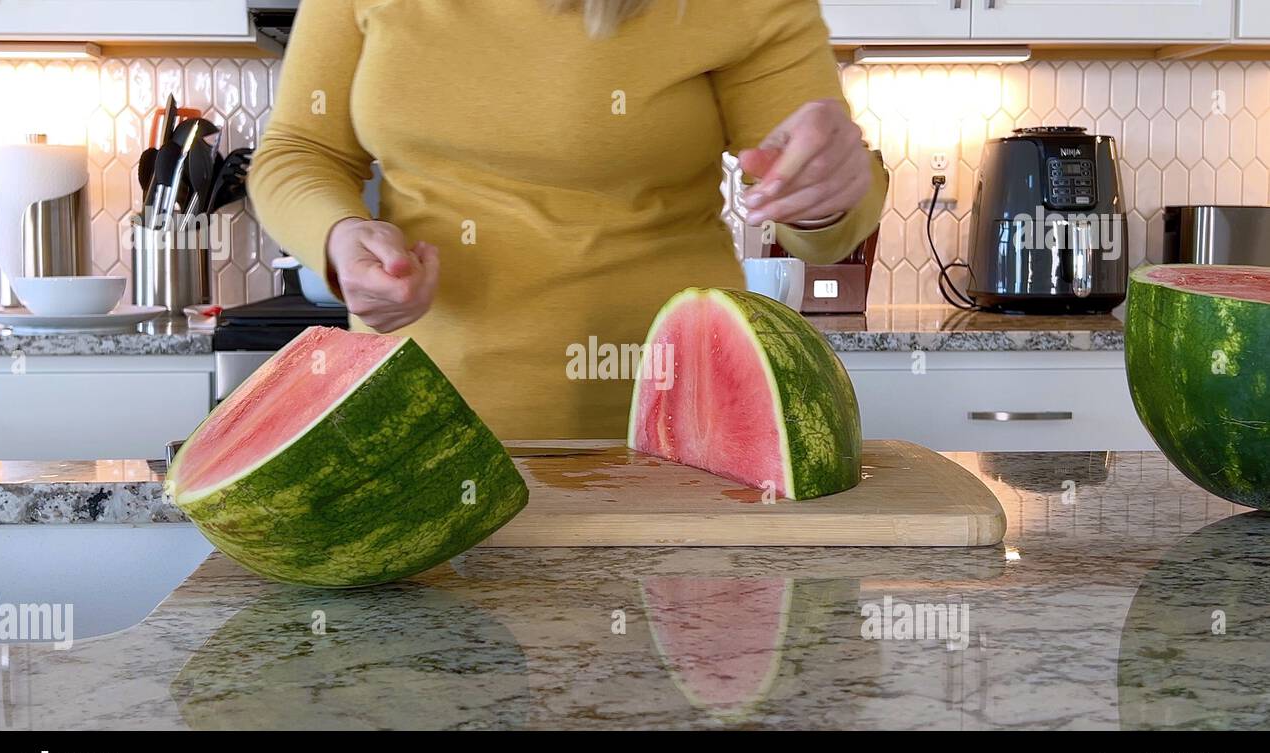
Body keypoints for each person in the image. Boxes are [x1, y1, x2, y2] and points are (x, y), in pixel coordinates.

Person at [250, 0, 887, 439]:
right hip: (413, 423)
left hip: (672, 426)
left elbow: (826, 220)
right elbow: (302, 150)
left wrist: (828, 190)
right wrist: (339, 236)